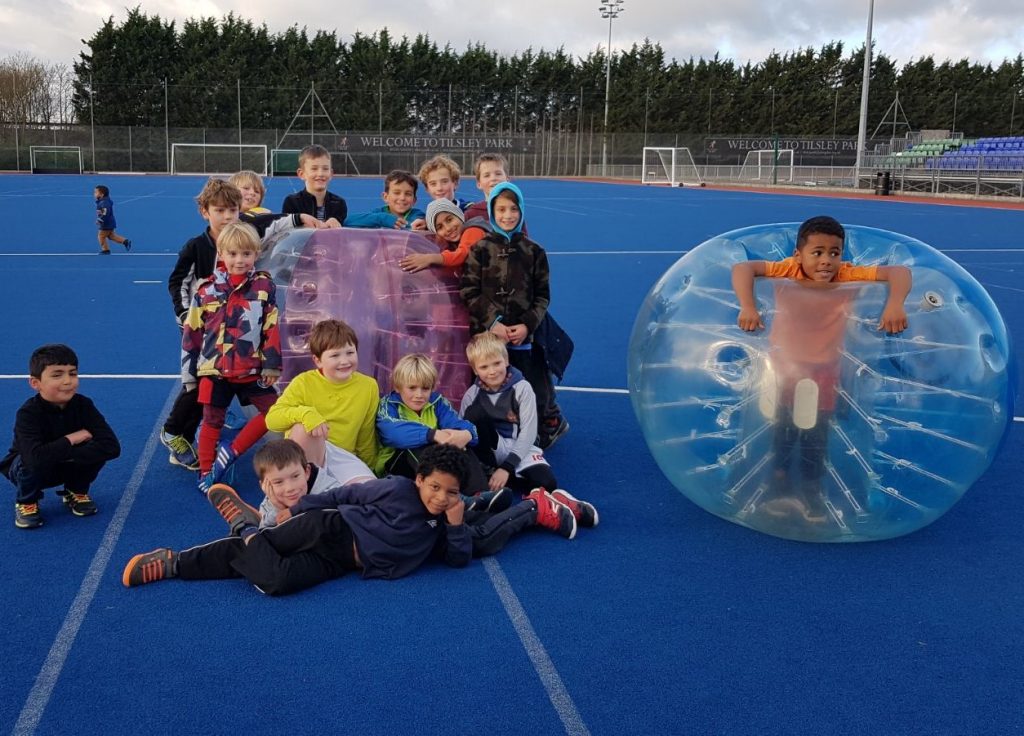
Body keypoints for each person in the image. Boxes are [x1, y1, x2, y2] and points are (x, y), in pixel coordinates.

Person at [731, 215, 912, 521]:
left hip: (824, 373)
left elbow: (899, 272)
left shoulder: (848, 274)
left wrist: (896, 304)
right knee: (782, 431)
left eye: (834, 252)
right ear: (798, 254)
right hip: (784, 369)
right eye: (817, 252)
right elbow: (743, 268)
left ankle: (811, 491)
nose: (827, 261)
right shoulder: (787, 269)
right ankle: (779, 483)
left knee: (816, 435)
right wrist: (747, 305)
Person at [121, 444, 473, 596]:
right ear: (419, 480)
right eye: (434, 487)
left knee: (276, 581)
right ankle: (174, 564)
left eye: (451, 493)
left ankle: (245, 526)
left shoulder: (446, 522)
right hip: (330, 526)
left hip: (340, 563)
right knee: (265, 548)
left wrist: (456, 525)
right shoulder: (396, 489)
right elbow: (343, 496)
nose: (441, 498)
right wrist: (302, 507)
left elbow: (458, 560)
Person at [460, 181, 568, 449]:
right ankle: (492, 436)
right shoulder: (480, 250)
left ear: (521, 210)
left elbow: (543, 296)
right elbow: (469, 291)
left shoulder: (534, 252)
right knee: (489, 383)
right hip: (488, 336)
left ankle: (535, 432)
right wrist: (493, 323)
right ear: (491, 211)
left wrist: (526, 325)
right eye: (501, 209)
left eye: (513, 209)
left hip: (524, 337)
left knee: (530, 386)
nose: (507, 215)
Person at [182, 221, 281, 493]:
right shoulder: (206, 290)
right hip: (214, 370)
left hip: (252, 369)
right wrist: (189, 373)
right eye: (233, 254)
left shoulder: (263, 285)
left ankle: (232, 450)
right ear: (222, 253)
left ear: (256, 254)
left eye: (246, 254)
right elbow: (192, 331)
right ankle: (206, 472)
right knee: (212, 419)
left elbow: (271, 324)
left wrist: (271, 363)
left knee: (275, 413)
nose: (240, 260)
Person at [1, 344, 120, 529]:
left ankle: (76, 489)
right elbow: (34, 459)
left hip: (63, 462)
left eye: (72, 373)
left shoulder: (84, 405)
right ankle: (26, 501)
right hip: (32, 469)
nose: (67, 381)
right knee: (28, 461)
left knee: (97, 449)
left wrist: (68, 454)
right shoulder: (28, 413)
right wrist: (71, 439)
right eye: (57, 375)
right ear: (35, 383)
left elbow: (112, 447)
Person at [265, 319, 378, 486]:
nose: (344, 361)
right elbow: (271, 420)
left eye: (350, 352)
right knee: (303, 428)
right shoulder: (303, 382)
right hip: (305, 458)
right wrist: (305, 413)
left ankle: (326, 495)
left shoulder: (368, 386)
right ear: (318, 360)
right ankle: (280, 502)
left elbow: (366, 434)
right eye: (335, 355)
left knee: (370, 491)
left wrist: (372, 467)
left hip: (343, 458)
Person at [376, 353, 484, 483]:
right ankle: (452, 493)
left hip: (431, 464)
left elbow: (456, 423)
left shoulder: (437, 402)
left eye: (425, 388)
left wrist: (467, 434)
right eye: (412, 388)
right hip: (396, 466)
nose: (419, 395)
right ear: (398, 387)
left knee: (459, 443)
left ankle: (479, 494)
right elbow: (392, 433)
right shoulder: (388, 404)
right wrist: (432, 434)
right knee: (418, 446)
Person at [398, 198, 490, 274]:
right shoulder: (453, 242)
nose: (448, 228)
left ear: (459, 215)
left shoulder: (473, 230)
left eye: (449, 220)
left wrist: (429, 258)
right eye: (440, 227)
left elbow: (462, 255)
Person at [281, 144, 347, 226]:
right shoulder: (291, 202)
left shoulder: (339, 203)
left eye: (325, 169)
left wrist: (336, 224)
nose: (320, 173)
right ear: (301, 174)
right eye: (314, 169)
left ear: (331, 174)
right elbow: (287, 233)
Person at [94, 184, 131, 255]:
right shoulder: (103, 201)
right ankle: (125, 241)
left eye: (96, 192)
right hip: (110, 223)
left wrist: (99, 220)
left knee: (101, 236)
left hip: (106, 223)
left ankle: (105, 250)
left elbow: (105, 213)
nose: (94, 194)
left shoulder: (104, 203)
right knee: (111, 236)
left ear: (101, 194)